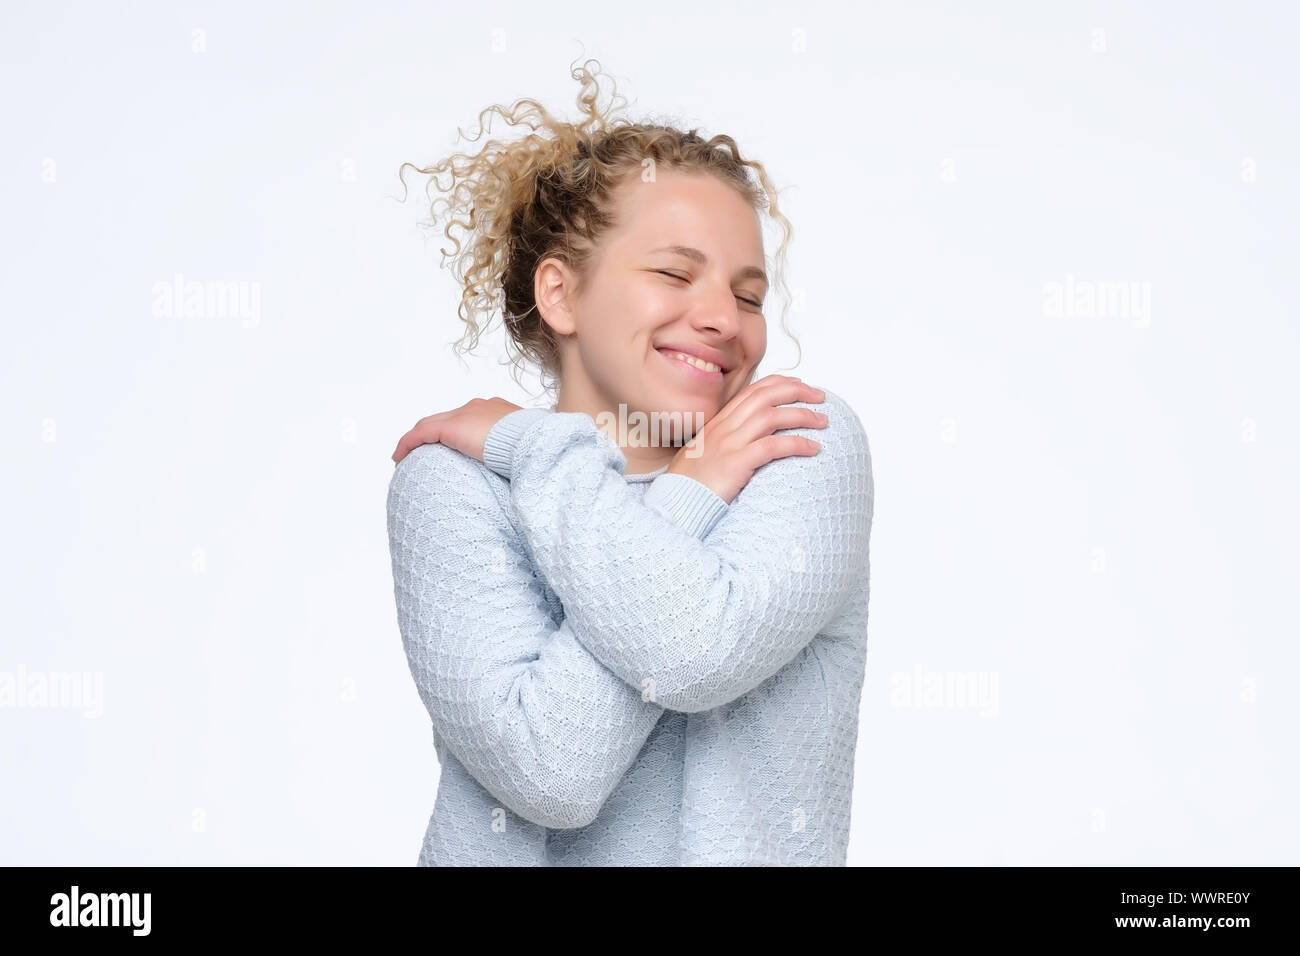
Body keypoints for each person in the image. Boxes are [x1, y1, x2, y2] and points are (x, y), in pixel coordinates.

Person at [385, 59, 875, 866]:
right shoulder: (453, 483)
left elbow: (691, 653)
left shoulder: (800, 446)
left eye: (749, 296)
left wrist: (540, 448)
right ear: (562, 295)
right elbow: (552, 772)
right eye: (675, 274)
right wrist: (683, 492)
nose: (723, 318)